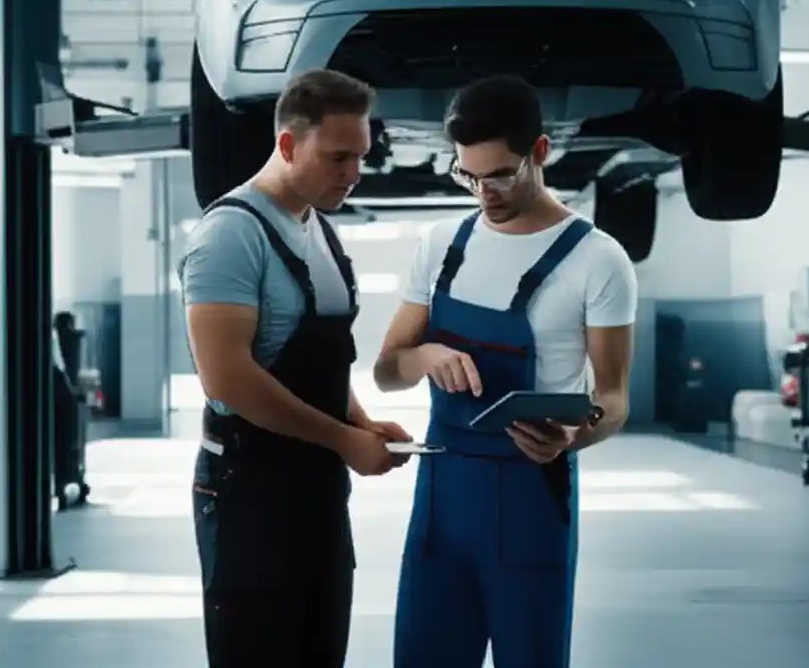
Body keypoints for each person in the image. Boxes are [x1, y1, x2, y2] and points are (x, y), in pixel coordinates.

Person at [373, 74, 639, 668]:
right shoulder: (442, 244)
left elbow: (615, 398)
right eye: (468, 175)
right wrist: (423, 357)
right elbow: (386, 371)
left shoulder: (598, 260)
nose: (483, 191)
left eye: (499, 174)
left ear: (539, 153)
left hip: (531, 496)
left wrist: (577, 434)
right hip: (442, 498)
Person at [180, 68, 414, 668]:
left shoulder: (321, 232)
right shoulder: (232, 234)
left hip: (315, 490)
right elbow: (227, 379)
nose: (353, 173)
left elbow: (324, 363)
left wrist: (361, 423)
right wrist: (343, 439)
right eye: (338, 157)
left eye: (360, 156)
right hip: (248, 492)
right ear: (288, 144)